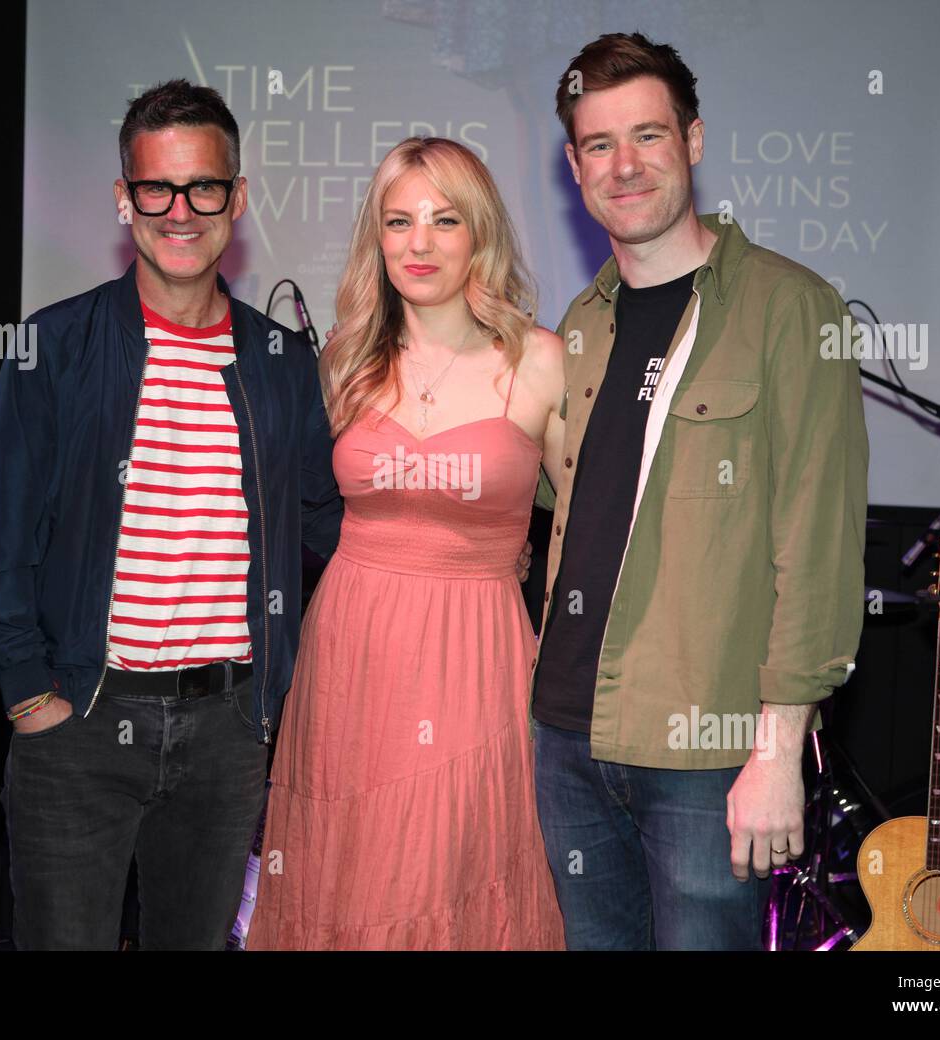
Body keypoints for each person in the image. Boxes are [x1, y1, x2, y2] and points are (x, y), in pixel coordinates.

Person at [0, 79, 343, 950]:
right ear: (123, 198)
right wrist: (28, 697)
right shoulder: (52, 348)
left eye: (203, 187)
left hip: (228, 732)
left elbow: (328, 523)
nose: (180, 211)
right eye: (156, 188)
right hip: (77, 723)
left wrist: (453, 549)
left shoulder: (281, 362)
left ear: (237, 198)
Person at [529, 32, 869, 950]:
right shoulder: (580, 323)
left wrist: (779, 753)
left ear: (694, 140)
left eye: (648, 135)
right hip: (563, 736)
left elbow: (819, 546)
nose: (625, 165)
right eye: (599, 144)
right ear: (574, 166)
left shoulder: (790, 309)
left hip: (704, 758)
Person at [247, 136, 567, 950]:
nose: (419, 242)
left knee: (450, 867)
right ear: (378, 237)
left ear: (479, 233)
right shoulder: (344, 361)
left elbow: (584, 528)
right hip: (351, 655)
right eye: (399, 221)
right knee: (352, 873)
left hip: (479, 655)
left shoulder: (540, 361)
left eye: (444, 220)